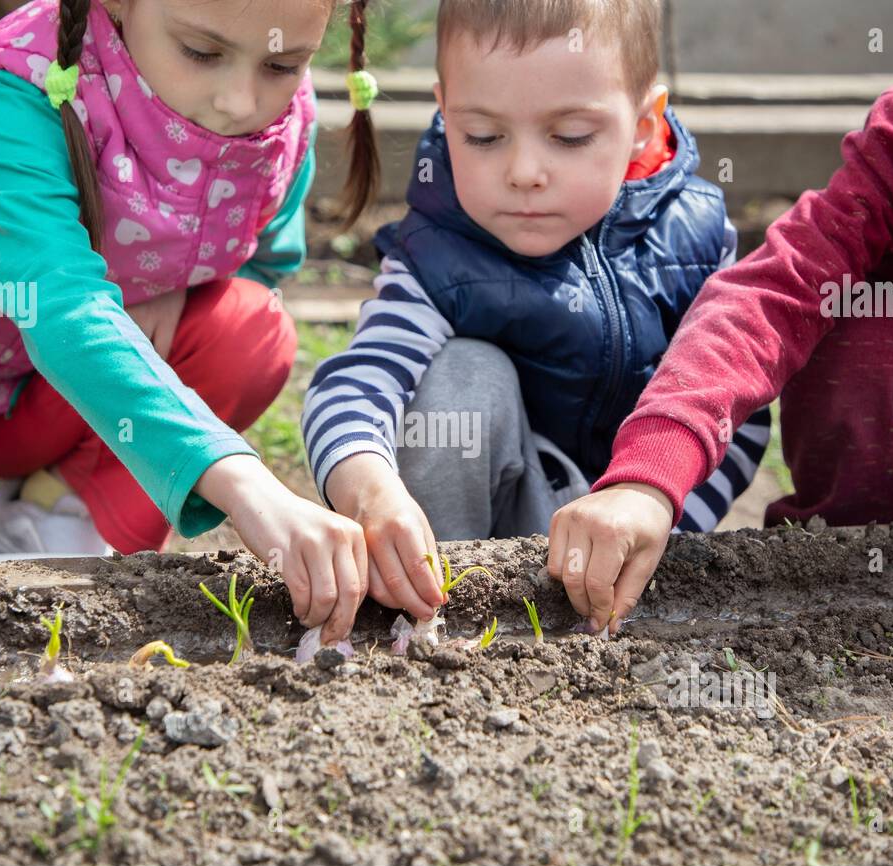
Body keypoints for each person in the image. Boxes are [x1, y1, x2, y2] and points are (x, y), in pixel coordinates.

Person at [0, 0, 378, 644]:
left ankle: (60, 508)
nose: (239, 100)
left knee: (250, 329)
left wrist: (187, 286)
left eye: (283, 63)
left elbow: (263, 264)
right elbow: (59, 307)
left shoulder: (280, 123)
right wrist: (245, 483)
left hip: (56, 410)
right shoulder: (14, 92)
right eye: (201, 53)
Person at [550, 0, 893, 633]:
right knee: (865, 327)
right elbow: (772, 292)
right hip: (883, 406)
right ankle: (836, 564)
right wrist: (647, 478)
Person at [303, 0, 768, 628]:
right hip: (486, 552)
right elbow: (356, 385)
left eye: (571, 136)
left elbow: (737, 412)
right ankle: (430, 612)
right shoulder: (439, 255)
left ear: (642, 122)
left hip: (638, 536)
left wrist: (669, 528)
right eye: (484, 136)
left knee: (697, 375)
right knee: (464, 372)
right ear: (445, 109)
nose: (523, 173)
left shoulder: (696, 240)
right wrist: (368, 489)